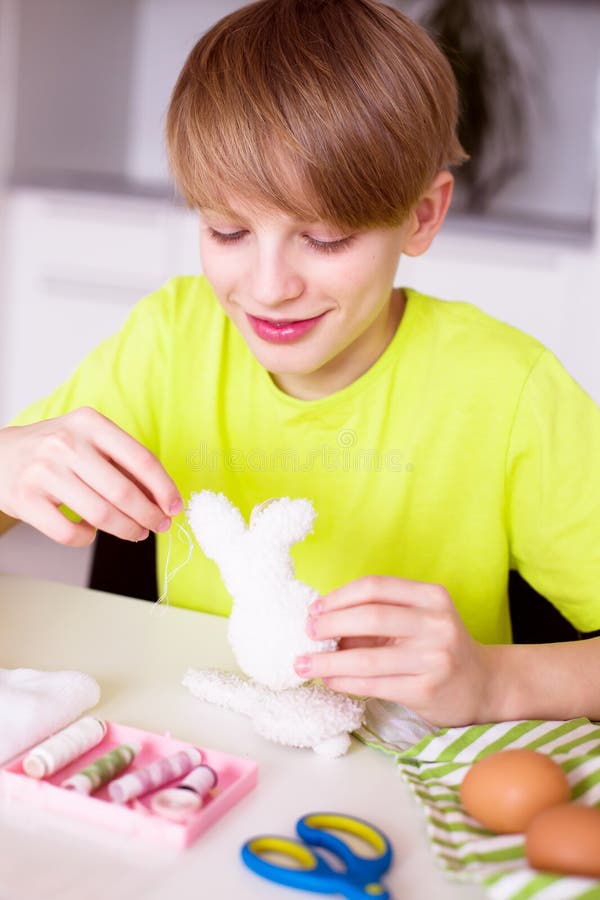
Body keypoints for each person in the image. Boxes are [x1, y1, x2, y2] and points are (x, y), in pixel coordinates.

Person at [1, 0, 599, 729]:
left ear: (421, 216)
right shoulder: (170, 336)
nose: (268, 286)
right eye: (227, 231)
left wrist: (499, 682)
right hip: (202, 754)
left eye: (325, 239)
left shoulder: (510, 392)